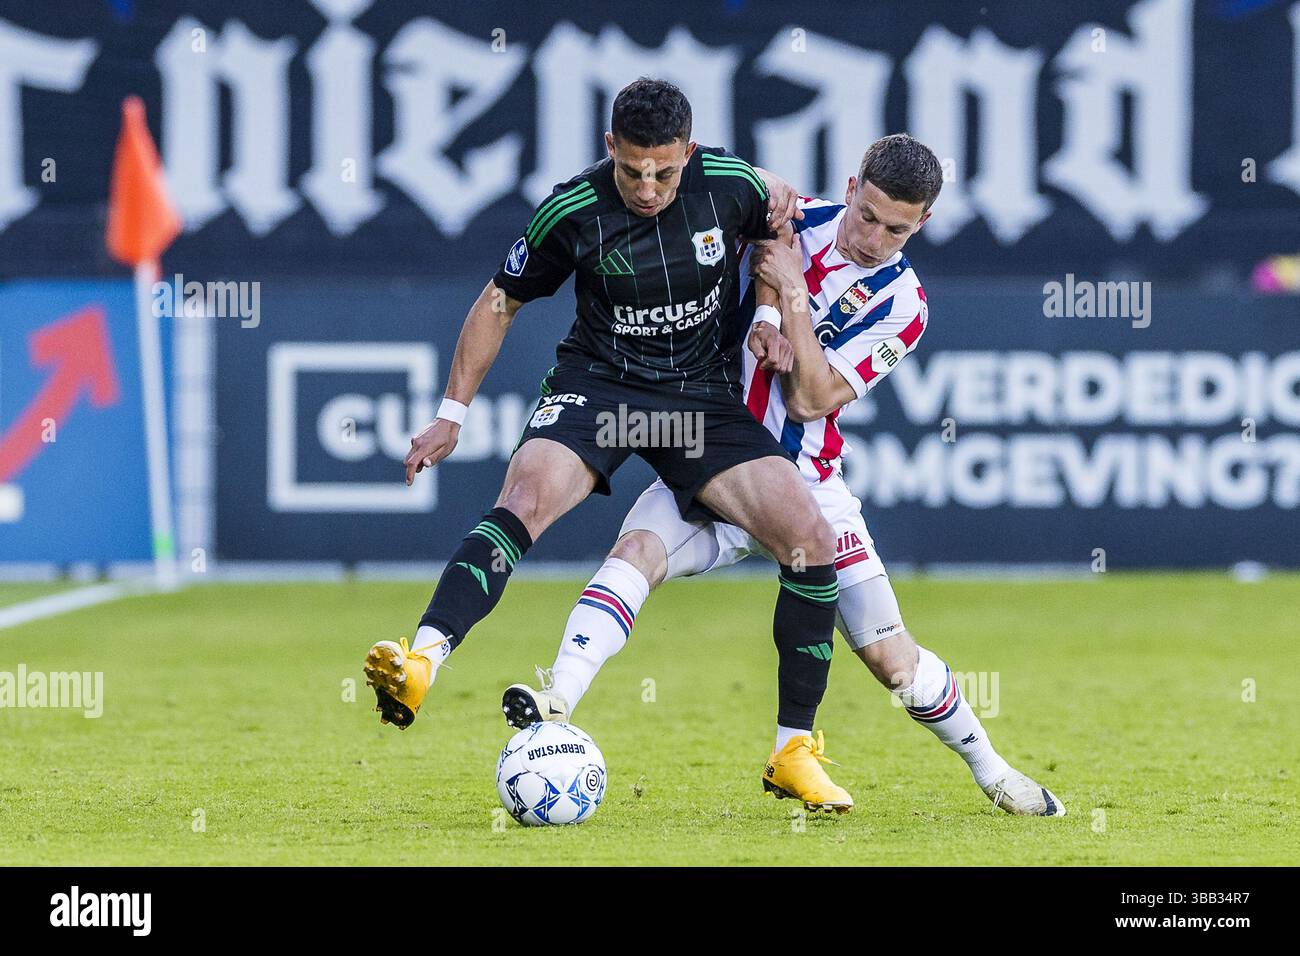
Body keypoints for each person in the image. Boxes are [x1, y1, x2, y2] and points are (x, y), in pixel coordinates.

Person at [502, 134, 1066, 817]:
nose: (874, 239)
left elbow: (811, 399)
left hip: (808, 484)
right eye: (868, 215)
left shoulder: (903, 305)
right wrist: (765, 191)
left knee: (893, 662)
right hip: (714, 455)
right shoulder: (787, 217)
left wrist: (793, 293)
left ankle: (994, 772)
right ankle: (557, 700)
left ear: (923, 223)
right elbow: (693, 165)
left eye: (896, 229)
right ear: (851, 187)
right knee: (635, 553)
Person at [364, 78, 852, 811]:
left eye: (665, 172)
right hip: (601, 388)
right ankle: (423, 659)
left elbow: (776, 232)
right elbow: (499, 301)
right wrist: (450, 414)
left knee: (811, 541)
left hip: (699, 399)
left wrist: (772, 320)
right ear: (609, 149)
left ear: (689, 152)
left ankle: (793, 753)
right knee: (525, 498)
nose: (648, 188)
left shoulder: (731, 184)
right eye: (632, 171)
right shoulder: (572, 209)